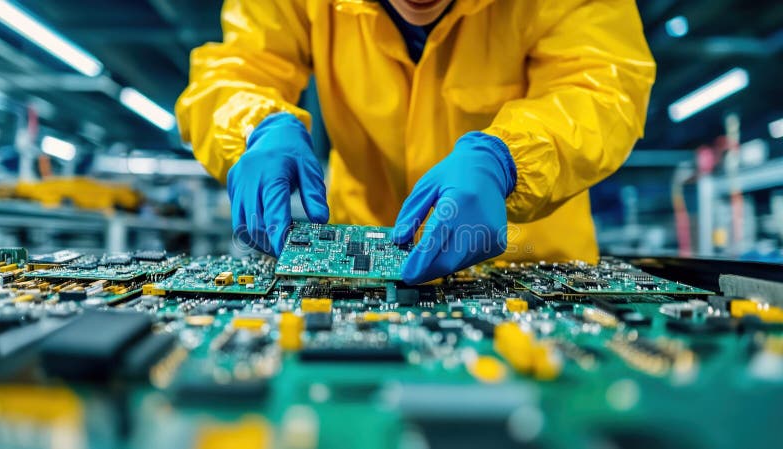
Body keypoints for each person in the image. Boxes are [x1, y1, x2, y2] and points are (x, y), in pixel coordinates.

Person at [176, 0, 656, 285]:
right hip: (359, 265)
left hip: (530, 263)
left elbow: (603, 86)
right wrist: (256, 127)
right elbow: (238, 70)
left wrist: (511, 159)